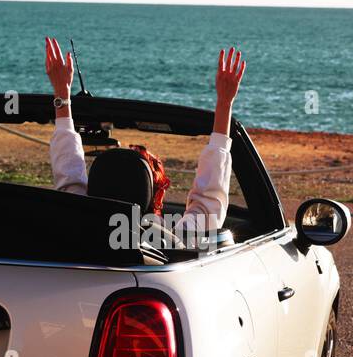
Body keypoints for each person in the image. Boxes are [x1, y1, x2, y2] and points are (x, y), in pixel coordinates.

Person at [43, 37, 246, 246]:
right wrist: (224, 102)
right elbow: (208, 202)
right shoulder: (175, 242)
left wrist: (62, 92)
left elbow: (68, 177)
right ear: (155, 196)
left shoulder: (76, 231)